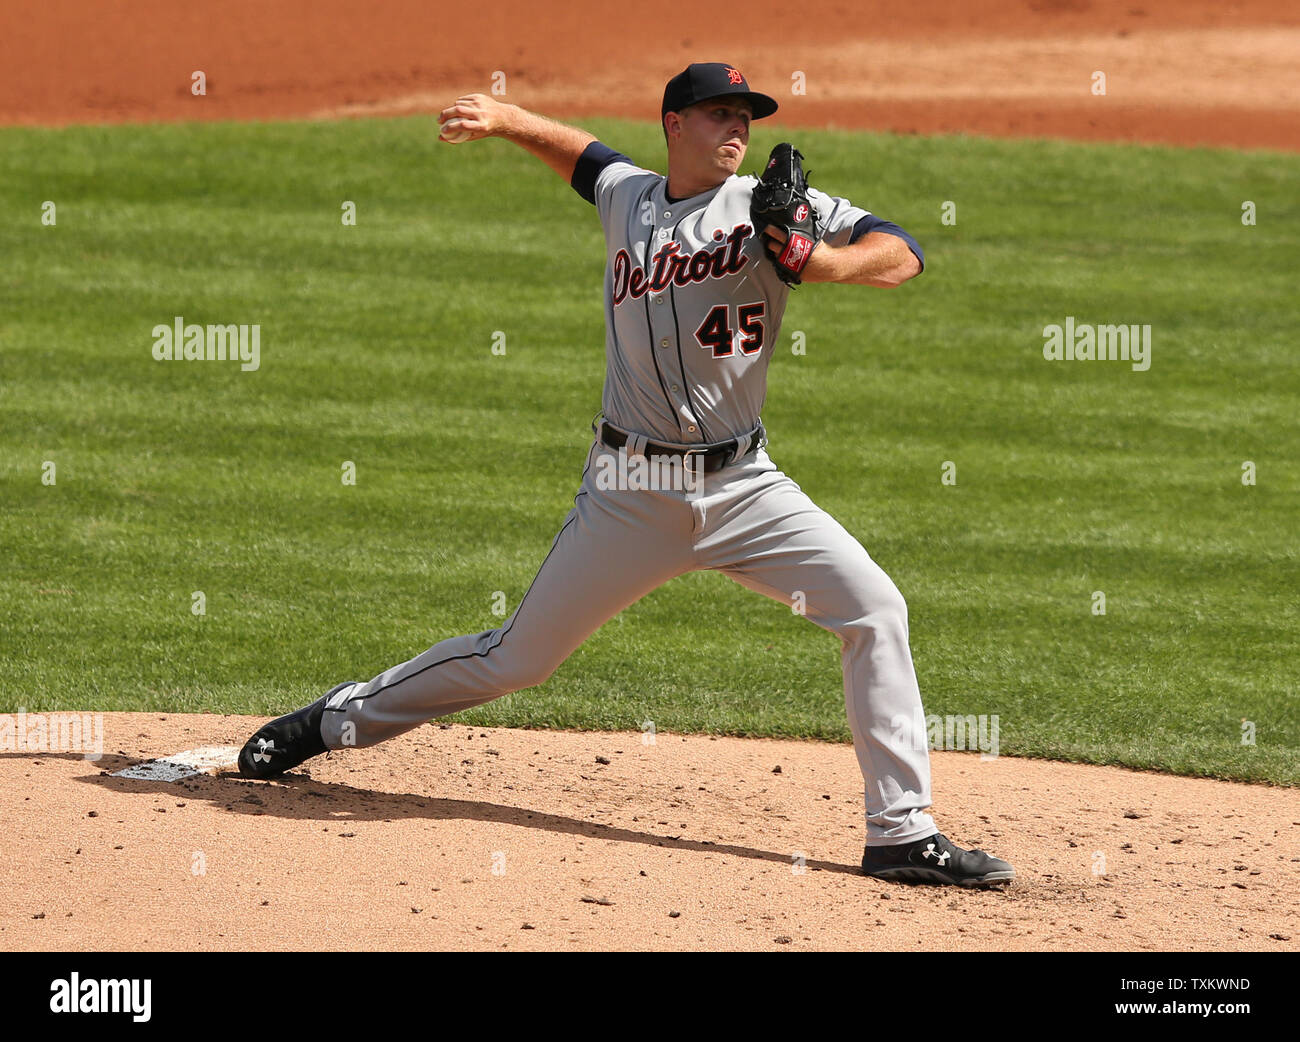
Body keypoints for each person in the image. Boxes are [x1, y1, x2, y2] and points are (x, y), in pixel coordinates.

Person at [238, 62, 1014, 888]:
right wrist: (505, 118)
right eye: (719, 114)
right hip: (629, 494)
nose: (738, 130)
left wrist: (818, 262)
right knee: (515, 661)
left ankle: (900, 831)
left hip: (746, 489)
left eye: (745, 117)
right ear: (675, 124)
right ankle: (334, 721)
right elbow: (582, 153)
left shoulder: (768, 207)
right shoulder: (628, 197)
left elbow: (903, 253)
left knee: (875, 610)